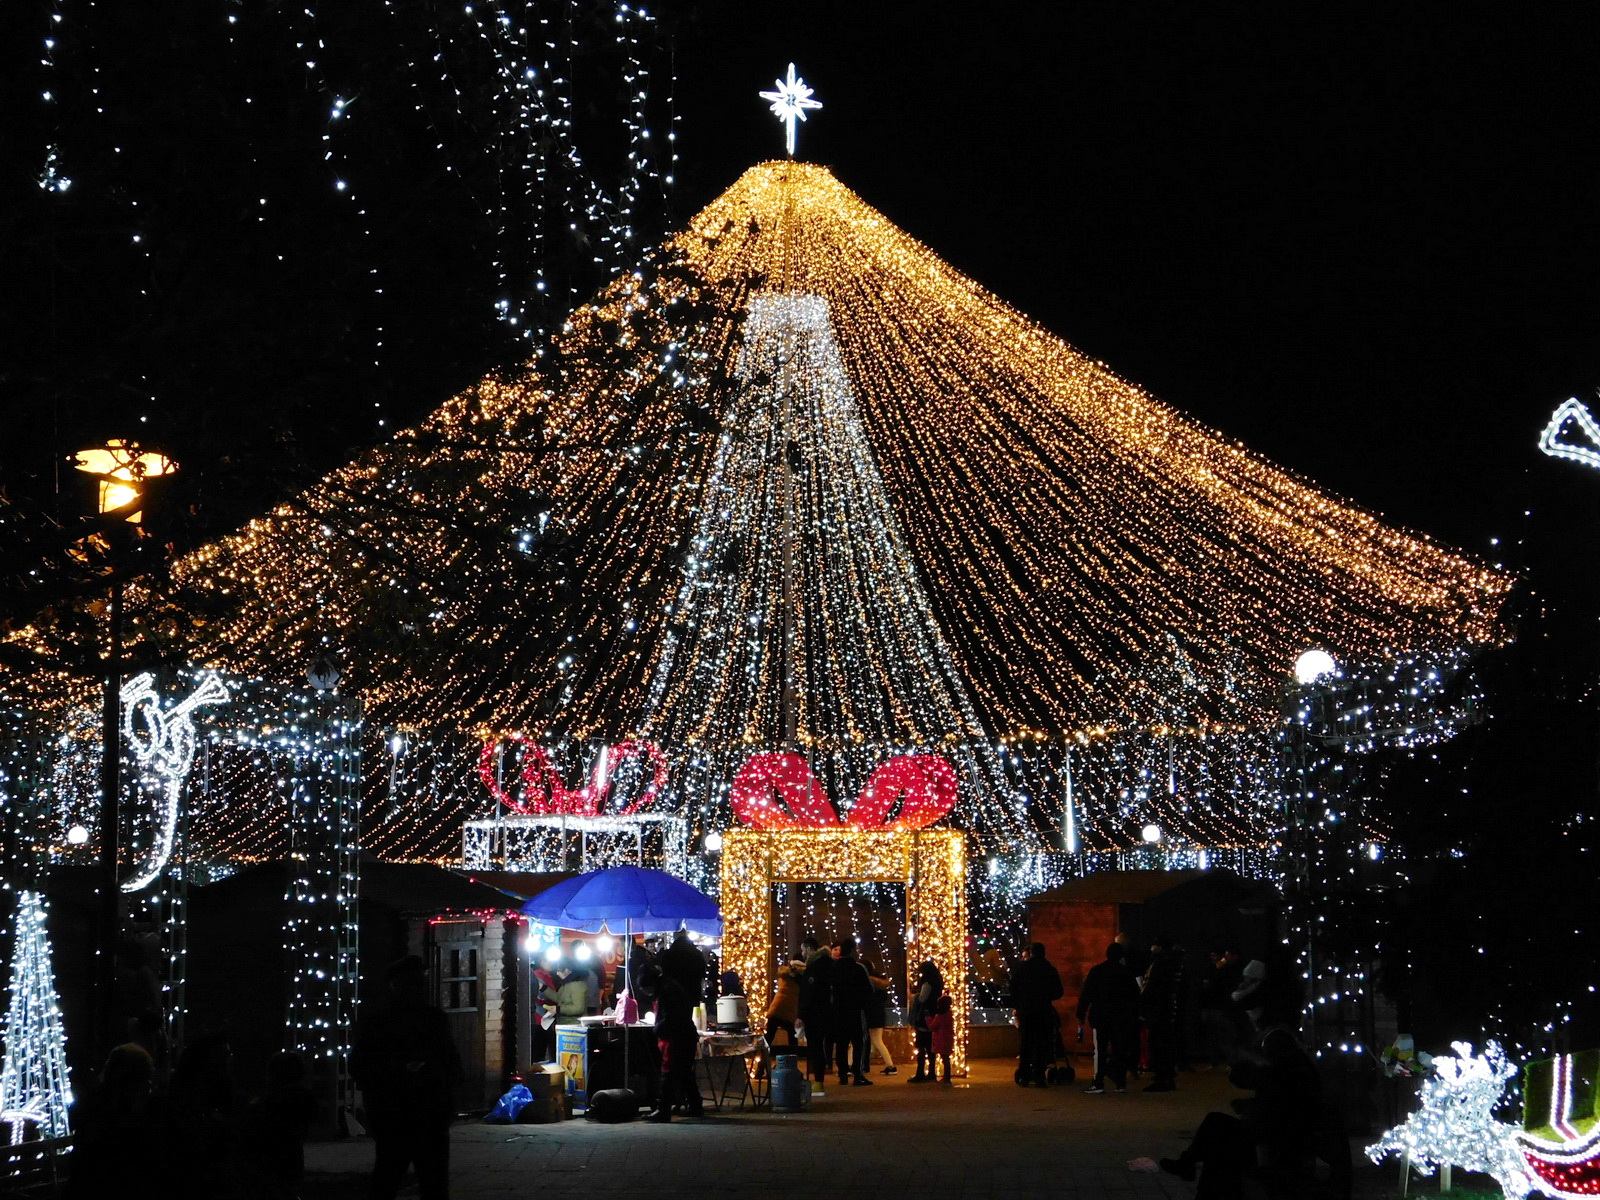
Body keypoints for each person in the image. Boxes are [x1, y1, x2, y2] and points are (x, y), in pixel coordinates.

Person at [1158, 1019, 1322, 1197]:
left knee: (1218, 1135)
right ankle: (1188, 1164)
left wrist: (1249, 1104)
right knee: (1216, 1129)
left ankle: (1189, 1165)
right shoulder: (1294, 1066)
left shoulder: (1289, 1071)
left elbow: (1276, 1108)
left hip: (1279, 1143)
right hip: (1279, 1137)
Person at [352, 954, 462, 1200]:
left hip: (417, 1114)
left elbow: (450, 1063)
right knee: (399, 1180)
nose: (417, 988)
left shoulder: (429, 1020)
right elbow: (362, 1066)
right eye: (412, 983)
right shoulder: (383, 1024)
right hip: (401, 1114)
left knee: (404, 1180)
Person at [635, 963, 703, 1122]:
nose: (645, 992)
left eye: (645, 988)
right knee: (685, 1072)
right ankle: (695, 1106)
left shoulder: (667, 991)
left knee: (669, 1072)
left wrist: (657, 1027)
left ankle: (663, 1109)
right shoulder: (667, 987)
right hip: (684, 1035)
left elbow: (672, 1018)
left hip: (676, 1037)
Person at [1076, 942, 1139, 1095]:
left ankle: (1098, 1082)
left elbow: (1087, 994)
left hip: (1101, 1017)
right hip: (1121, 1017)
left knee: (1100, 1050)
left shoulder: (1097, 971)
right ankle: (1120, 1082)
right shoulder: (1126, 973)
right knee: (1120, 1049)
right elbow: (1135, 995)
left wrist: (1081, 1014)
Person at [1008, 942, 1064, 1087]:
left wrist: (1019, 1003)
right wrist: (1046, 997)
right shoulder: (1049, 969)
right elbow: (1058, 991)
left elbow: (1012, 987)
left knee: (1026, 1043)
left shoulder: (1023, 968)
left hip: (1026, 1010)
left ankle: (1025, 1074)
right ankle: (1039, 1075)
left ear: (1031, 953)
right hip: (1043, 1010)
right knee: (1042, 1044)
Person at [1140, 936, 1183, 1092]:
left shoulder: (1158, 964)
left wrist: (1142, 1004)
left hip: (1157, 1010)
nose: (1151, 948)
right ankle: (1167, 1076)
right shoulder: (1174, 963)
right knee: (1166, 1044)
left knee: (1157, 1044)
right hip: (1167, 1009)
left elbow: (1148, 987)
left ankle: (1161, 1078)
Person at [830, 937, 874, 1086]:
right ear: (853, 951)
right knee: (859, 1043)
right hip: (855, 1010)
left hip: (838, 1011)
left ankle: (842, 1074)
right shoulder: (858, 968)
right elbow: (869, 989)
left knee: (841, 1044)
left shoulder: (834, 968)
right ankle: (858, 1073)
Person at [799, 936, 835, 1093]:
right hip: (830, 1012)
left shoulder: (814, 967)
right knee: (825, 1045)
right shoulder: (830, 965)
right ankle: (821, 1078)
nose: (802, 954)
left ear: (808, 949)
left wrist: (801, 1014)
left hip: (815, 1014)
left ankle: (818, 1081)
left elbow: (808, 993)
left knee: (815, 1047)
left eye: (802, 950)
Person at [1199, 946, 1245, 1068]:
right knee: (1212, 1036)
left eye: (1216, 956)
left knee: (1226, 1037)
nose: (1213, 958)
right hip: (1210, 1006)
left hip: (1221, 1007)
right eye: (1212, 956)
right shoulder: (1211, 969)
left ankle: (1231, 1061)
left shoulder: (1227, 970)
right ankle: (1214, 1060)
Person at [907, 959, 944, 1083]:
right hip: (933, 1014)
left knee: (921, 1045)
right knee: (930, 1047)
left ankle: (920, 1073)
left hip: (925, 1016)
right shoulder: (937, 982)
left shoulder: (927, 983)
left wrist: (914, 996)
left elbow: (922, 998)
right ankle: (931, 1072)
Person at [862, 955, 897, 1075]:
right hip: (879, 1014)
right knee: (877, 1041)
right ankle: (890, 1065)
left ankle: (851, 1065)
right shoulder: (881, 984)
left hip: (869, 1015)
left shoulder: (867, 983)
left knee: (859, 1040)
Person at [660, 928, 709, 1006]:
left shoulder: (669, 954)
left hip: (674, 993)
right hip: (693, 991)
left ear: (675, 936)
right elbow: (702, 971)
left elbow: (665, 972)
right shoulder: (697, 954)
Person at [766, 958, 805, 1049]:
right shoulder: (801, 979)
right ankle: (792, 1059)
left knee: (769, 1036)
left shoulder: (785, 976)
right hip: (789, 1012)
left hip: (776, 1008)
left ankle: (763, 1059)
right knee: (792, 1036)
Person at [925, 994, 956, 1086]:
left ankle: (946, 1078)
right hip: (948, 1039)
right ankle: (947, 1077)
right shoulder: (949, 1015)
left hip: (940, 1040)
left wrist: (928, 1018)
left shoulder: (939, 1016)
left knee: (944, 1059)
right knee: (946, 1059)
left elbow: (932, 1027)